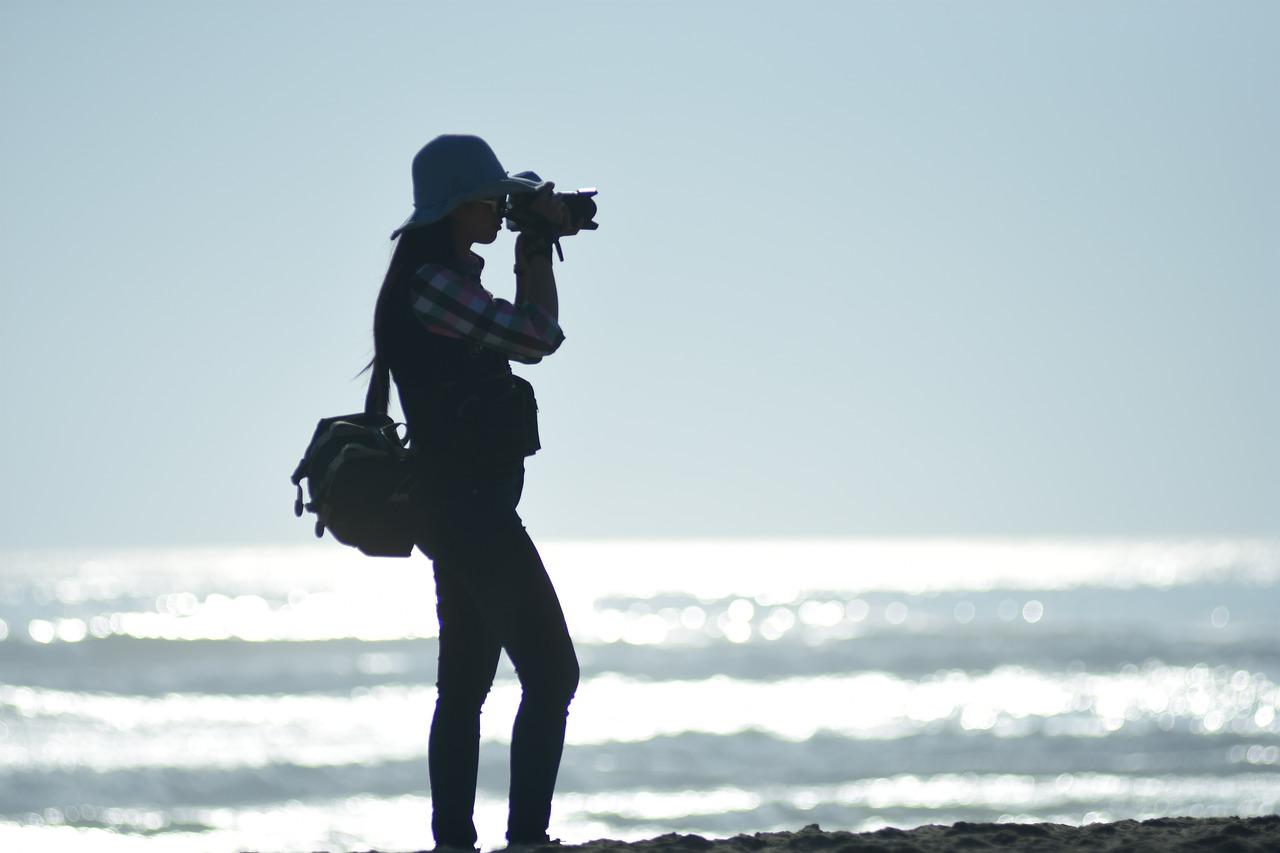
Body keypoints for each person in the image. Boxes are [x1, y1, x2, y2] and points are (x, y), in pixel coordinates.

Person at [370, 134, 580, 852]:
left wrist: (532, 232)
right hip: (470, 510)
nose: (500, 210)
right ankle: (526, 839)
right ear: (457, 205)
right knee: (552, 673)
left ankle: (455, 842)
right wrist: (536, 244)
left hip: (455, 505)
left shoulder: (437, 277)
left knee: (463, 690)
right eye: (492, 199)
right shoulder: (434, 284)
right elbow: (536, 337)